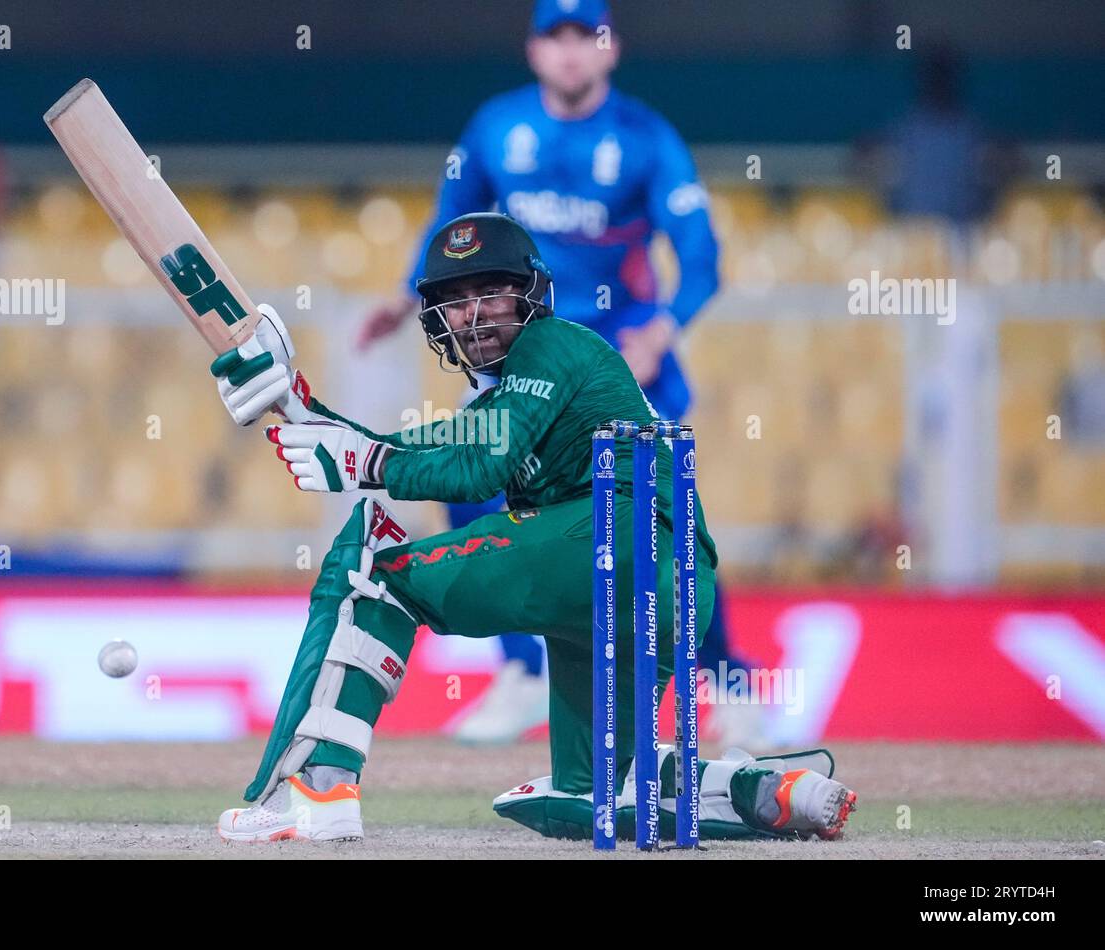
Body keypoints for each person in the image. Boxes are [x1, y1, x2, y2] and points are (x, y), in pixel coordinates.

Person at [211, 213, 857, 843]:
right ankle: (764, 791)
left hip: (609, 543)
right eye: (456, 300)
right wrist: (295, 404)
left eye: (491, 292)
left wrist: (366, 463)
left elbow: (476, 470)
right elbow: (404, 446)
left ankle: (320, 790)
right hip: (665, 584)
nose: (474, 314)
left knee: (373, 579)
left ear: (531, 296)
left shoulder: (552, 346)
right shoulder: (513, 395)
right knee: (593, 792)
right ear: (437, 317)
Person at [357, 0, 755, 744]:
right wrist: (405, 296)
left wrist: (663, 328)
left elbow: (701, 258)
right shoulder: (496, 128)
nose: (570, 50)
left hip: (618, 366)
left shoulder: (645, 138)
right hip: (522, 365)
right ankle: (526, 674)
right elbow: (451, 225)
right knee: (471, 488)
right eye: (555, 36)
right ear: (534, 51)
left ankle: (729, 683)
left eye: (585, 35)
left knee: (661, 527)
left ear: (611, 49)